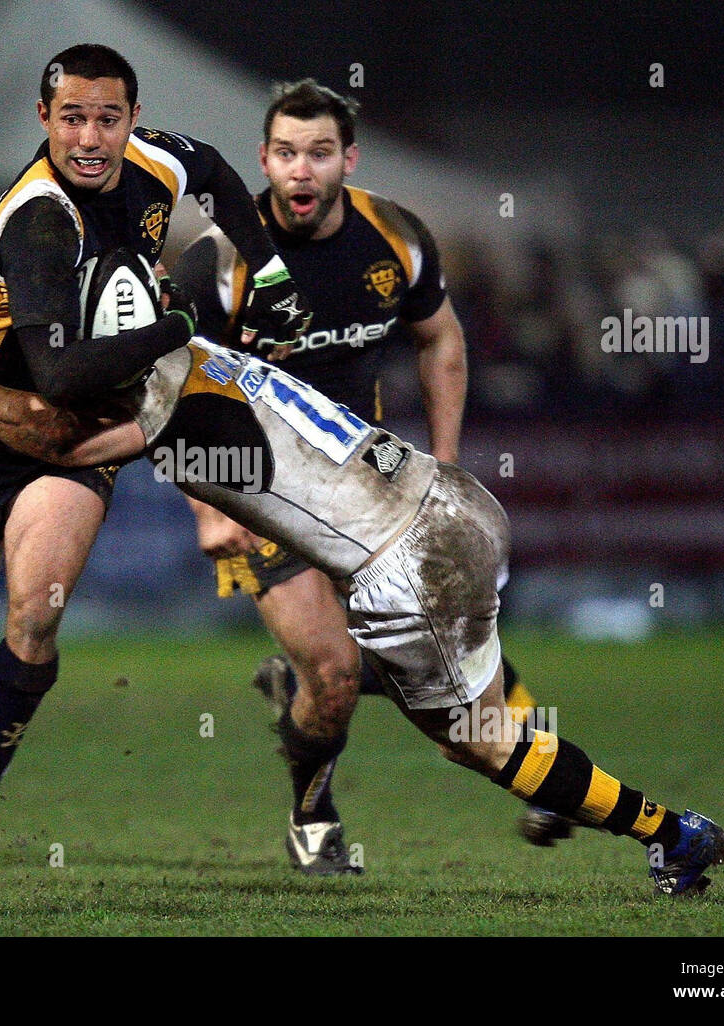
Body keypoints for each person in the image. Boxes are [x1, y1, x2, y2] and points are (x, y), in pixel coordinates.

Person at [0, 331, 724, 897]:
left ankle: (672, 834)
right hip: (451, 502)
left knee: (475, 739)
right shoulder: (195, 350)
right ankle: (354, 691)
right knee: (393, 690)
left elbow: (55, 441)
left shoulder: (158, 405)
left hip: (410, 560)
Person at [0, 44, 311, 878]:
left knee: (37, 612)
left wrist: (266, 270)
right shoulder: (40, 219)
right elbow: (54, 375)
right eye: (72, 118)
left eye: (108, 118)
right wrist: (185, 317)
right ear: (43, 120)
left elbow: (223, 174)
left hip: (77, 434)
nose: (90, 137)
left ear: (133, 119)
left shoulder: (156, 162)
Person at [168, 80, 571, 872]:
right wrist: (206, 508)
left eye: (320, 152)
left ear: (348, 158)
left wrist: (445, 466)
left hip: (369, 486)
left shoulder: (396, 236)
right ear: (263, 160)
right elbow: (173, 386)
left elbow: (441, 340)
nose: (302, 170)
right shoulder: (218, 259)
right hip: (260, 492)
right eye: (286, 153)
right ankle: (312, 815)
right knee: (339, 671)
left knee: (443, 635)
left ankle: (533, 769)